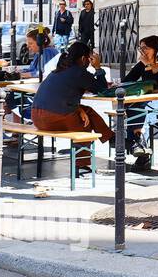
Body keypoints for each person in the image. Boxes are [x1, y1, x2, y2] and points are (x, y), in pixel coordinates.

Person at [30, 41, 113, 176]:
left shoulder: (58, 70)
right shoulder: (79, 72)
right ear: (83, 58)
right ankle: (83, 163)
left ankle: (110, 138)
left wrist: (79, 109)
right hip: (53, 117)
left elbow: (59, 96)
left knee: (87, 112)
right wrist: (98, 68)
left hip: (37, 117)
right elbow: (102, 89)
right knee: (84, 125)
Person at [122, 35, 158, 170]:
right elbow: (127, 80)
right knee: (131, 106)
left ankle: (139, 148)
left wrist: (149, 66)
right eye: (140, 48)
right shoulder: (142, 65)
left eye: (146, 48)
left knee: (141, 110)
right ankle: (139, 143)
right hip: (147, 103)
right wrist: (143, 65)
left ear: (157, 50)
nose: (142, 51)